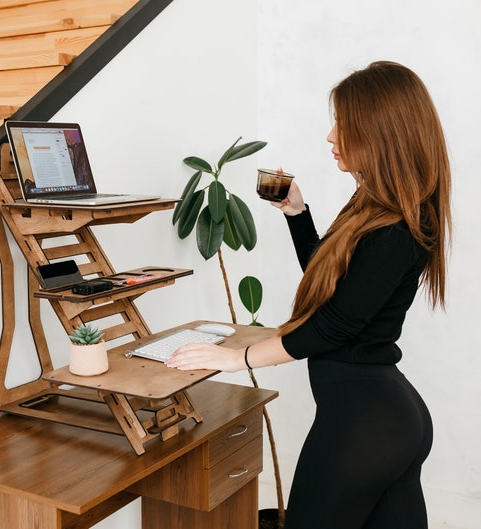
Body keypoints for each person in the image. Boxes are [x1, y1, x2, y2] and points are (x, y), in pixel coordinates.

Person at [166, 61, 451, 529]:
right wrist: (297, 214)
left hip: (366, 426)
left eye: (343, 123)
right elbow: (339, 289)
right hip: (388, 417)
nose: (331, 136)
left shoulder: (396, 227)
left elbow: (335, 324)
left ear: (380, 132)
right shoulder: (378, 206)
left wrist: (237, 359)